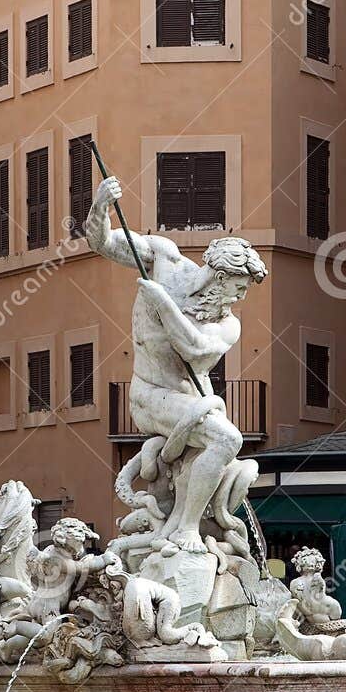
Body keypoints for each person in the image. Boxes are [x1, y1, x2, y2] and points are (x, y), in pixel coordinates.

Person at [85, 174, 266, 553]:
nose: (241, 296)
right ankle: (184, 529)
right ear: (220, 276)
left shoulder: (227, 322)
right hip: (151, 395)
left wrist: (163, 305)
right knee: (228, 437)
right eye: (240, 287)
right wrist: (101, 204)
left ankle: (189, 524)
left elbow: (197, 351)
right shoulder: (163, 259)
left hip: (193, 399)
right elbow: (103, 243)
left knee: (224, 444)